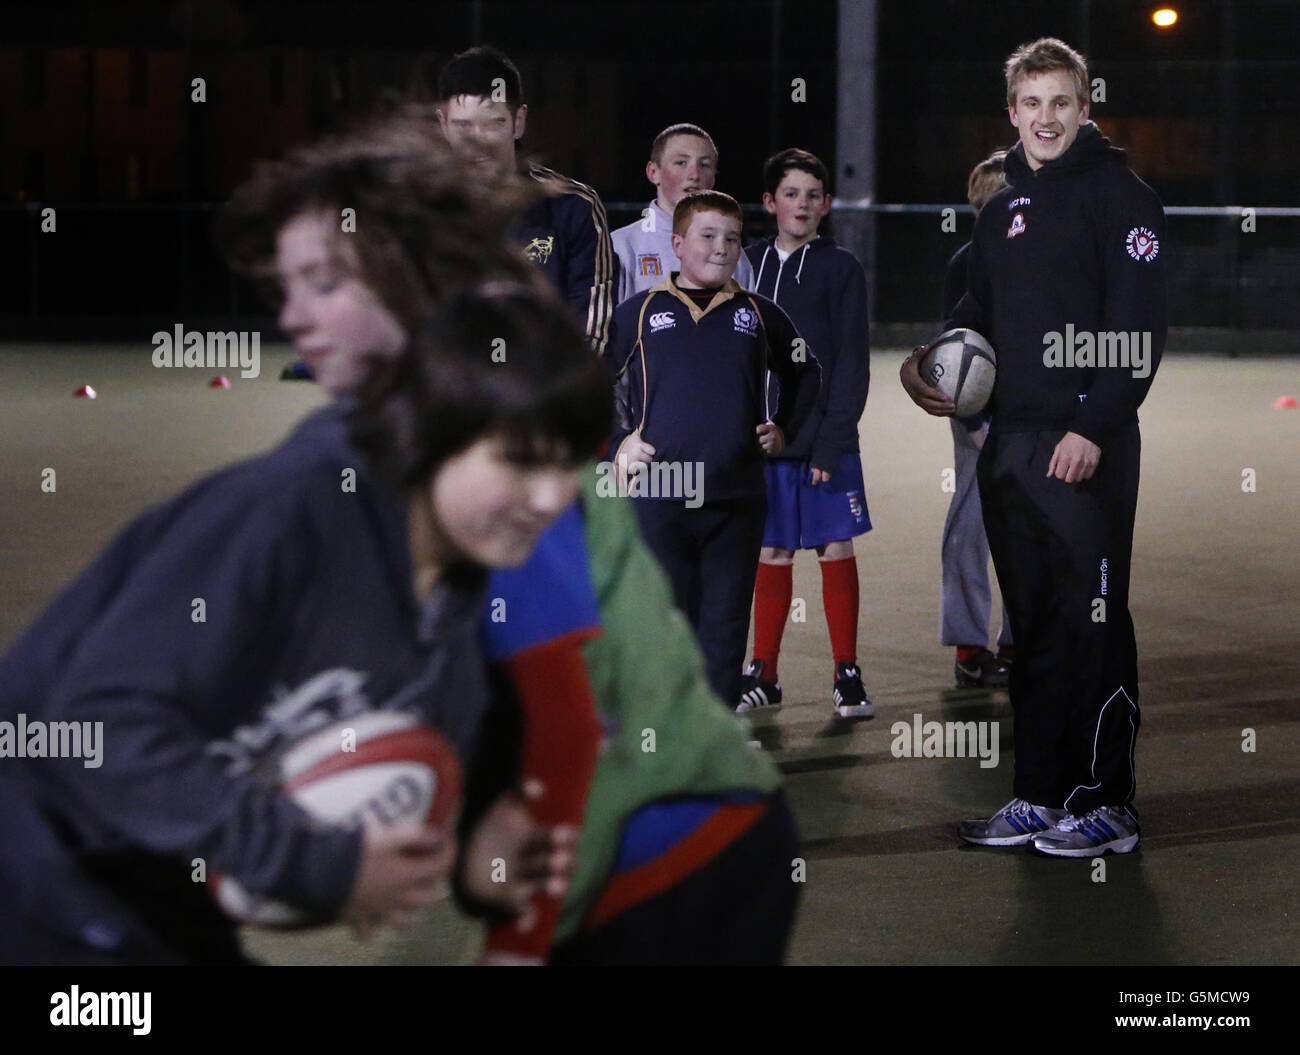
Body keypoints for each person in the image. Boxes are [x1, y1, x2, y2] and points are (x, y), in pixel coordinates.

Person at [222, 127, 802, 964]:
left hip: (679, 861)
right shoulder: (331, 467)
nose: (295, 313)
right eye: (289, 284)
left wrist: (517, 940)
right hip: (576, 854)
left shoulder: (509, 470)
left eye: (329, 282)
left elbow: (561, 730)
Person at [0, 277, 608, 964]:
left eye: (568, 463)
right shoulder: (285, 518)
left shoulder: (457, 600)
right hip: (35, 872)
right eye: (519, 460)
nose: (554, 496)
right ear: (432, 436)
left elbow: (433, 765)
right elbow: (99, 727)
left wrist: (477, 857)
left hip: (149, 888)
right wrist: (321, 862)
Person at [900, 38, 1165, 856]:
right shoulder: (999, 212)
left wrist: (1093, 425)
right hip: (1008, 447)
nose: (1046, 118)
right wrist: (926, 366)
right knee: (1036, 631)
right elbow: (974, 313)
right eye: (1031, 103)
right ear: (1011, 114)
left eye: (1061, 102)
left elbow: (1140, 331)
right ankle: (1040, 793)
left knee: (1092, 622)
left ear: (1085, 108)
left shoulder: (1122, 197)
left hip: (1085, 446)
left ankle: (1107, 802)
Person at [609, 189, 821, 712]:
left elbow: (806, 372)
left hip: (736, 495)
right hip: (660, 495)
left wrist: (785, 429)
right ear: (678, 244)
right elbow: (589, 386)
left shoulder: (759, 314)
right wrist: (619, 442)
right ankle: (663, 736)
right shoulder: (639, 312)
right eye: (707, 236)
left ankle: (718, 737)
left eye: (732, 238)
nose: (722, 247)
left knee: (725, 621)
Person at [737, 148, 873, 719]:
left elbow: (850, 364)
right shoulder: (743, 264)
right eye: (791, 194)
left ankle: (847, 673)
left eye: (813, 196)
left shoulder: (840, 268)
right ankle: (763, 673)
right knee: (770, 549)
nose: (802, 204)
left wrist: (830, 441)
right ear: (770, 202)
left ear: (827, 205)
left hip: (821, 442)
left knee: (833, 544)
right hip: (761, 444)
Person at [432, 45, 616, 356]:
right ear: (443, 124)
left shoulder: (574, 206)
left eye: (493, 124)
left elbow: (590, 332)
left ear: (518, 121)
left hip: (544, 397)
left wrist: (544, 399)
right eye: (463, 126)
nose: (478, 140)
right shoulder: (420, 208)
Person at [940, 150, 1015, 690]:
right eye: (988, 202)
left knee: (1029, 532)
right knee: (971, 528)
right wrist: (973, 420)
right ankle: (970, 648)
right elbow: (955, 351)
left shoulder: (1039, 255)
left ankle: (1017, 643)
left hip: (1032, 414)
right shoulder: (964, 262)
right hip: (976, 414)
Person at [610, 122, 755, 303]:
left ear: (713, 179)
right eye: (681, 162)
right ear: (653, 172)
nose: (694, 174)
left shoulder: (734, 254)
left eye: (705, 165)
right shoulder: (622, 246)